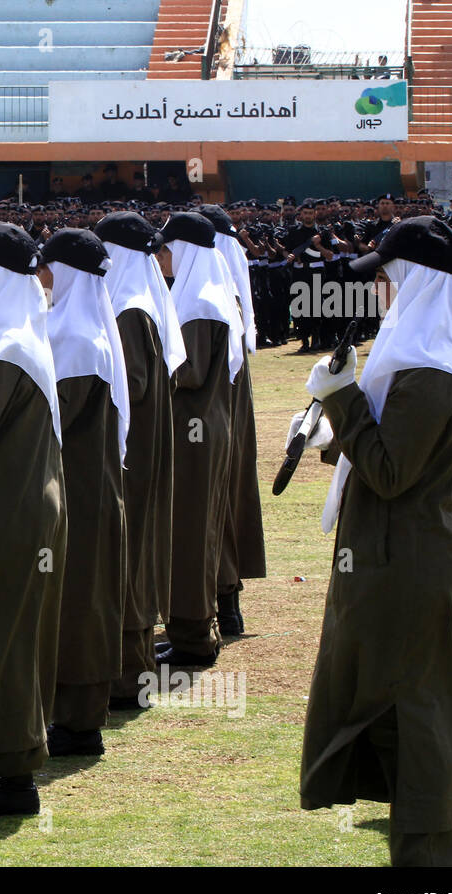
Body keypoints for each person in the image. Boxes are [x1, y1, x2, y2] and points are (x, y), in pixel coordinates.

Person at [300, 216, 452, 866]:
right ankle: (427, 849)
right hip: (405, 551)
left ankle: (435, 854)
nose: (379, 288)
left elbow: (390, 469)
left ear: (418, 279)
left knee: (421, 708)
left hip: (411, 557)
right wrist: (340, 430)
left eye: (387, 275)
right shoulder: (425, 357)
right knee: (407, 703)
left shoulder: (433, 369)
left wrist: (342, 399)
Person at [0, 222, 66, 815]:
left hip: (14, 510)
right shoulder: (20, 331)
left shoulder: (5, 346)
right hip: (29, 502)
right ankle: (12, 773)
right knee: (12, 638)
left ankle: (15, 782)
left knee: (5, 640)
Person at [41, 228, 131, 755]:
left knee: (81, 604)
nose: (41, 276)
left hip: (82, 492)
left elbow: (55, 418)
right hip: (85, 487)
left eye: (48, 266)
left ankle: (79, 722)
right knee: (79, 602)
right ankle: (73, 717)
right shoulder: (74, 325)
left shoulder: (75, 336)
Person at [96, 212, 184, 707]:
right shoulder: (140, 302)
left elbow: (127, 388)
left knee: (126, 558)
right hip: (144, 451)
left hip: (131, 456)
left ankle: (127, 676)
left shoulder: (129, 309)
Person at [155, 212, 244, 668]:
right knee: (196, 530)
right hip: (205, 428)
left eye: (168, 250)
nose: (163, 259)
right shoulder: (203, 294)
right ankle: (194, 627)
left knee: (191, 533)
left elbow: (188, 373)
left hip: (196, 433)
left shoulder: (198, 303)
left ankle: (193, 636)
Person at [198, 205, 267, 637]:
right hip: (226, 415)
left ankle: (223, 602)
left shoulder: (209, 299)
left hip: (214, 416)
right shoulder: (227, 294)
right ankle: (227, 604)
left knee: (218, 501)